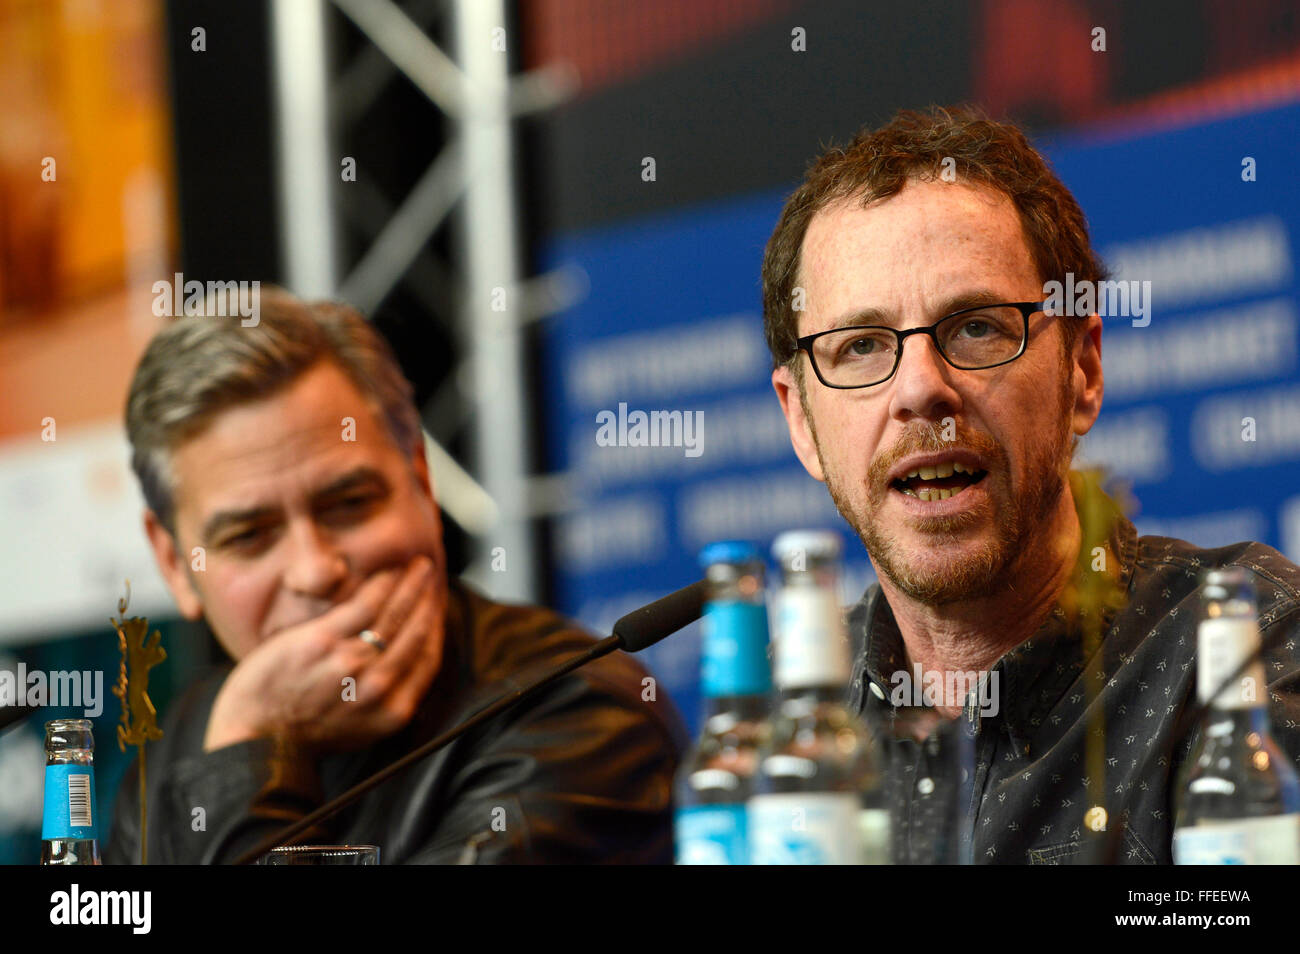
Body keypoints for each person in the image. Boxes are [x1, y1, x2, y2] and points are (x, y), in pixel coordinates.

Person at [763, 105, 1300, 864]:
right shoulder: (793, 721)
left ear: (1082, 370)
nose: (921, 389)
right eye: (860, 346)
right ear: (802, 424)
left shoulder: (1252, 650)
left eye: (977, 326)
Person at [105, 289, 686, 864]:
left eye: (350, 503)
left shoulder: (583, 715)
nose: (314, 570)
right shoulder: (180, 750)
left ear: (423, 483)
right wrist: (248, 741)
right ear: (175, 565)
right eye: (249, 536)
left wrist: (247, 755)